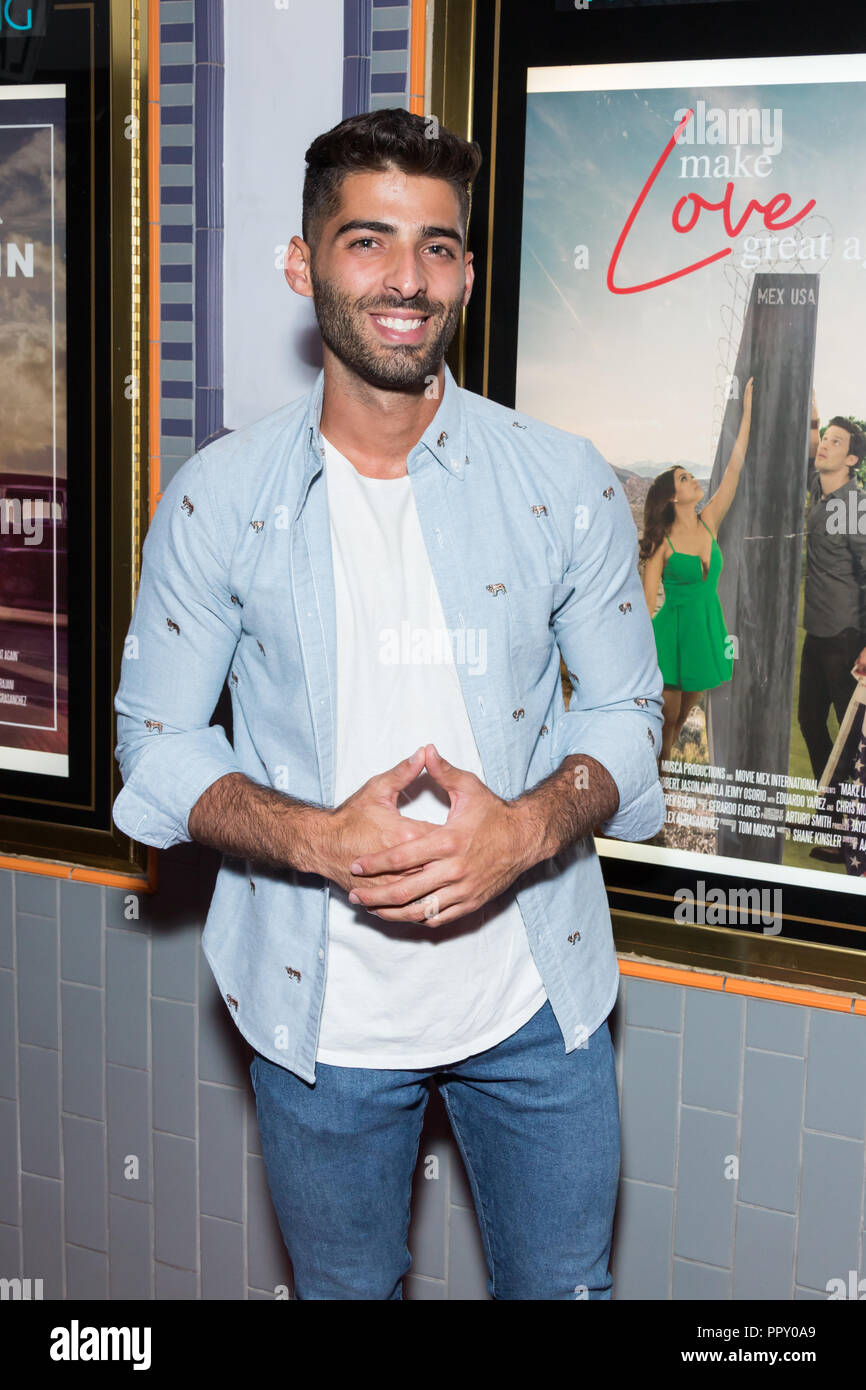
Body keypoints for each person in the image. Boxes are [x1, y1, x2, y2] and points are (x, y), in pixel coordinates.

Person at [111, 109, 665, 1301]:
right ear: (305, 263)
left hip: (533, 1004)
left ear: (465, 267)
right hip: (321, 1024)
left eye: (438, 246)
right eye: (367, 242)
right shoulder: (216, 500)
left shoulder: (558, 478)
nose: (407, 280)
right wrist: (317, 838)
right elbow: (152, 750)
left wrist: (520, 830)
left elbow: (625, 710)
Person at [640, 378, 753, 764]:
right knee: (669, 715)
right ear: (673, 496)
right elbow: (645, 601)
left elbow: (734, 469)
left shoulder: (710, 521)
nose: (693, 480)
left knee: (689, 709)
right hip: (673, 634)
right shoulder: (662, 543)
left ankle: (663, 765)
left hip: (706, 629)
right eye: (685, 479)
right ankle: (658, 774)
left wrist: (748, 409)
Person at [798, 398, 866, 862]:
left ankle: (849, 838)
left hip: (846, 637)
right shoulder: (819, 492)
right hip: (817, 633)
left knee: (850, 741)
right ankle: (832, 817)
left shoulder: (854, 504)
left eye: (835, 443)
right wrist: (816, 418)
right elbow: (807, 449)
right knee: (808, 720)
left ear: (853, 460)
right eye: (825, 440)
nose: (824, 447)